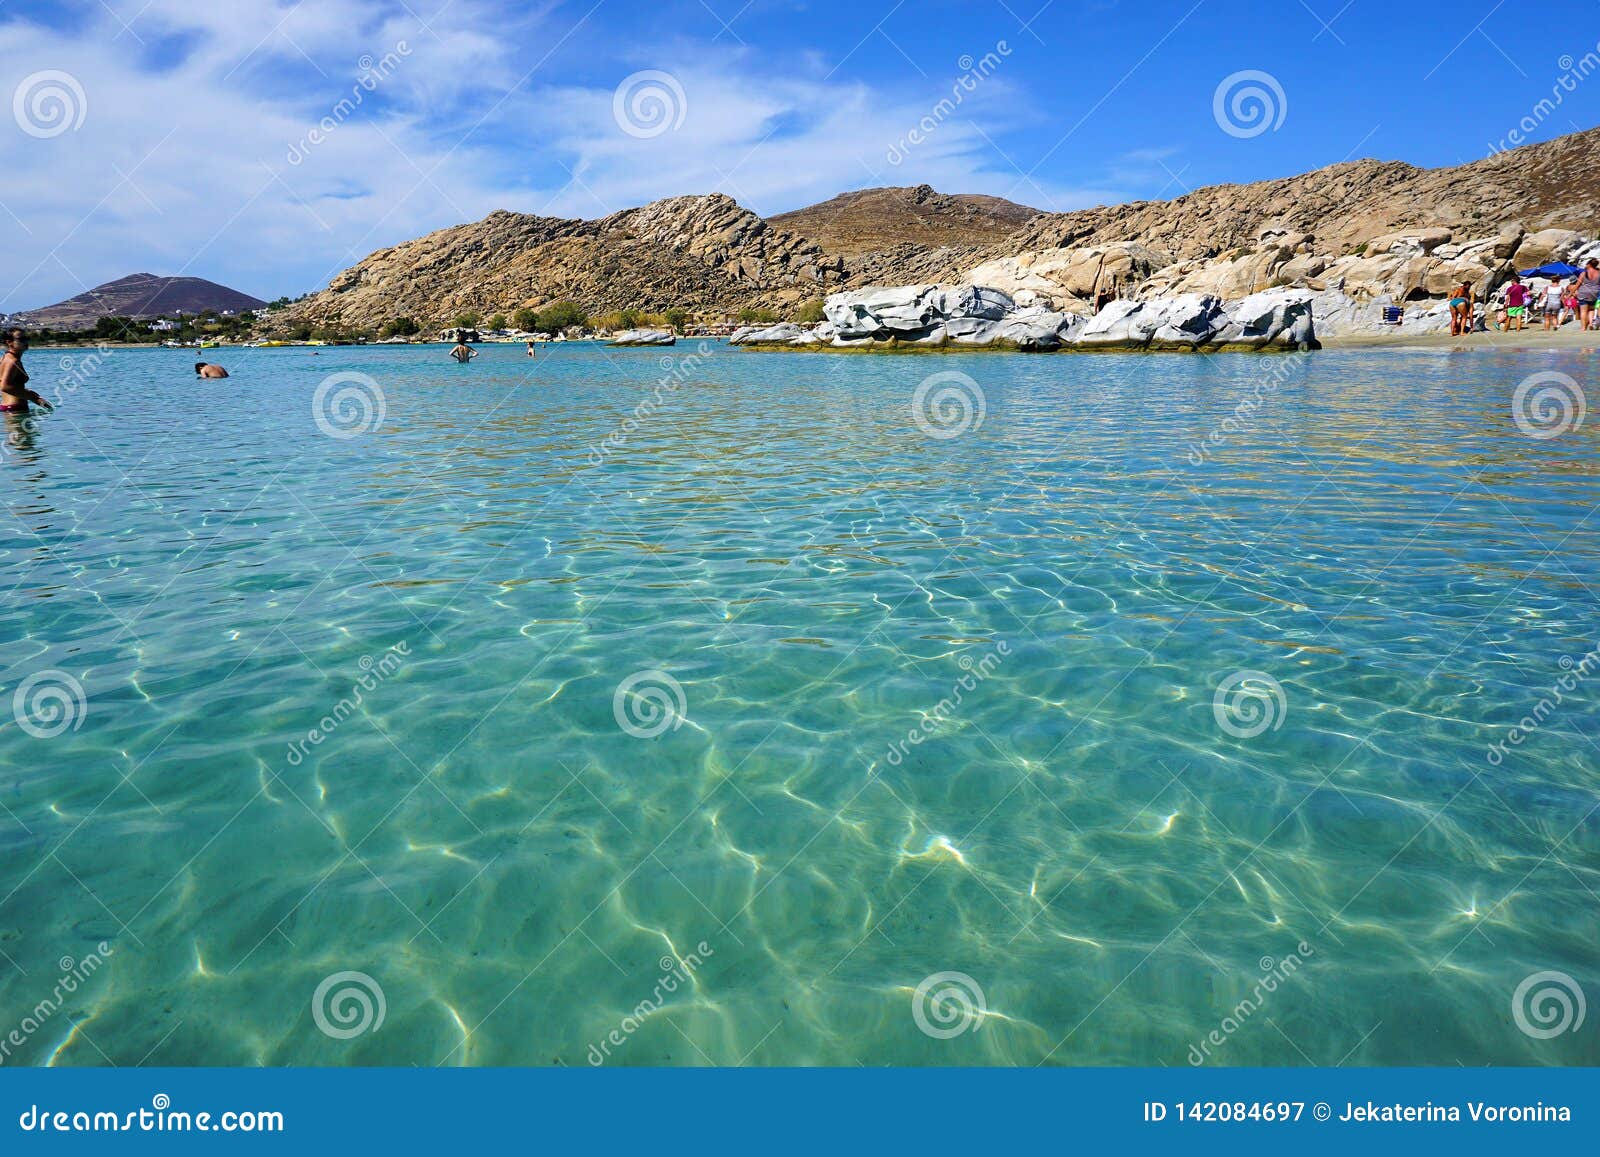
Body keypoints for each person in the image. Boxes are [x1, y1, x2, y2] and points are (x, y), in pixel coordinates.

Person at [1, 328, 53, 413]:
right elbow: (5, 386)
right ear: (9, 342)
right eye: (21, 339)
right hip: (16, 409)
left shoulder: (4, 359)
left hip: (10, 409)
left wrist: (35, 399)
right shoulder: (13, 361)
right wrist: (32, 396)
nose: (25, 342)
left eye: (26, 339)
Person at [1576, 258, 1600, 332]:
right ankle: (1590, 324)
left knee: (1583, 311)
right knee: (1591, 309)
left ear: (1589, 265)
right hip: (1594, 293)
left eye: (1587, 264)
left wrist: (1570, 294)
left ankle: (1583, 328)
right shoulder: (1599, 273)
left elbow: (1577, 285)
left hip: (1583, 293)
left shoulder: (1583, 273)